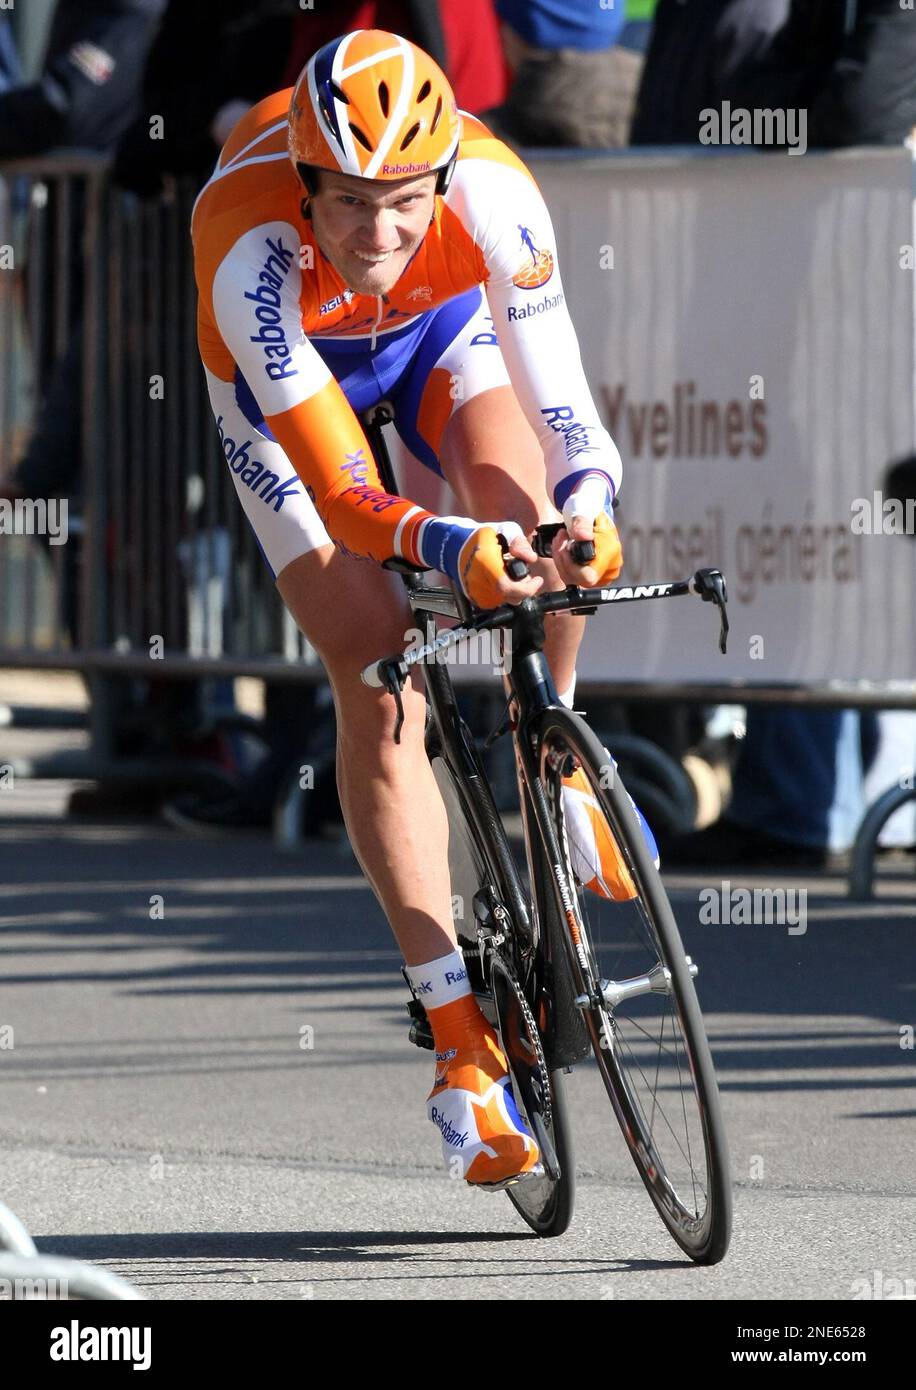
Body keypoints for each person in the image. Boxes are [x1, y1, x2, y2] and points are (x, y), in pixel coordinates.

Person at [191, 29, 655, 1187]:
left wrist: (584, 510)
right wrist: (443, 540)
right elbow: (349, 498)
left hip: (438, 339)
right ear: (306, 182)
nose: (378, 233)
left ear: (443, 178)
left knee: (540, 530)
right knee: (376, 667)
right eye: (348, 202)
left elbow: (570, 418)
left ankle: (554, 762)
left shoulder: (495, 196)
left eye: (403, 201)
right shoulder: (243, 244)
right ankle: (458, 1044)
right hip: (291, 395)